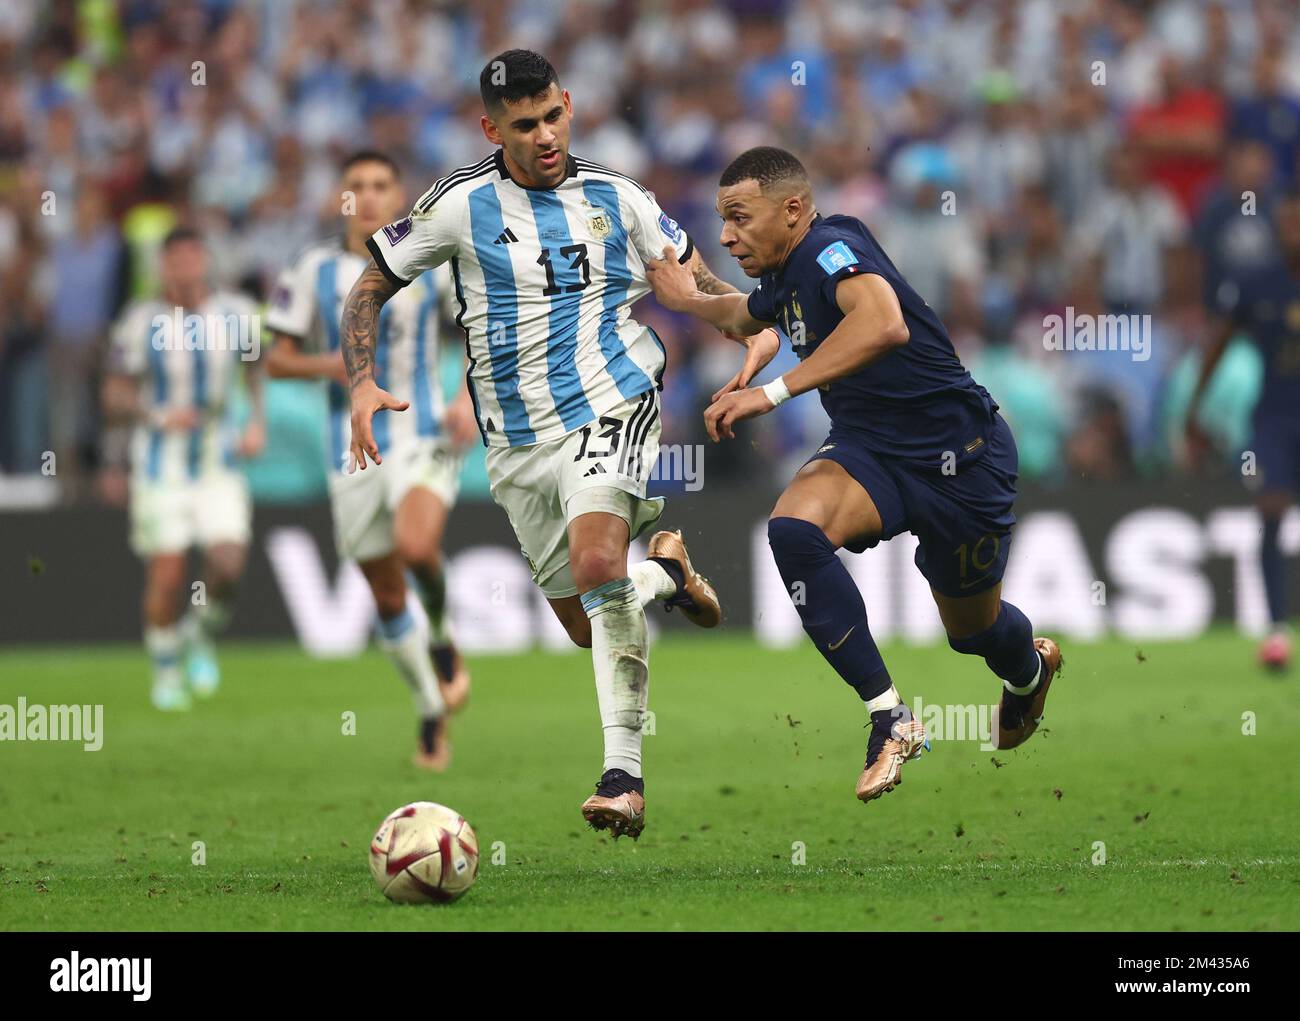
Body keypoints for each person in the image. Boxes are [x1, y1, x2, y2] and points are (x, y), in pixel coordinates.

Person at [342, 51, 775, 839]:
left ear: (569, 105)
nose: (544, 136)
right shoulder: (456, 204)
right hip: (514, 445)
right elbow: (370, 281)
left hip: (611, 392)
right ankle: (666, 567)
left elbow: (697, 279)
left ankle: (623, 779)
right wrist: (362, 382)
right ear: (491, 127)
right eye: (523, 125)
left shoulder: (620, 196)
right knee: (587, 618)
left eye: (552, 116)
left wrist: (757, 323)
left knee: (601, 567)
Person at [646, 146, 1062, 803]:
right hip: (872, 451)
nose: (726, 234)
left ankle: (1028, 672)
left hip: (964, 457)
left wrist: (771, 394)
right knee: (791, 529)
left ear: (792, 210)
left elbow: (884, 323)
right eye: (722, 220)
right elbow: (741, 317)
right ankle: (890, 718)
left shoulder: (828, 248)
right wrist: (687, 298)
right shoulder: (786, 274)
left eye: (739, 217)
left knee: (973, 633)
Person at [265, 150, 473, 770]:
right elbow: (276, 358)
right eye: (357, 185)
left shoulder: (430, 259)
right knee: (385, 594)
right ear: (342, 198)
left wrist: (464, 397)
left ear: (397, 192)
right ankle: (429, 708)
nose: (369, 194)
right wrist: (332, 365)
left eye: (381, 184)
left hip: (422, 429)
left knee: (416, 548)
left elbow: (476, 330)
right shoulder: (311, 268)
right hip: (349, 451)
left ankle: (439, 635)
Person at [102, 228, 265, 711]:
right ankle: (166, 668)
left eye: (193, 256)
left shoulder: (236, 313)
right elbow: (113, 392)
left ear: (206, 261)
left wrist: (257, 422)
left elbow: (256, 367)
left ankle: (200, 633)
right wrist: (156, 414)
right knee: (169, 575)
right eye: (175, 259)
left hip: (218, 461)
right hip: (160, 465)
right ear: (163, 266)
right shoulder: (140, 321)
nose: (185, 267)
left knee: (229, 562)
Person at [1188, 189, 1300, 671]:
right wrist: (1195, 407)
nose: (1292, 231)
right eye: (1287, 223)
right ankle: (1277, 628)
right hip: (1275, 415)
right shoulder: (1258, 282)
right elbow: (1219, 343)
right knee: (1271, 506)